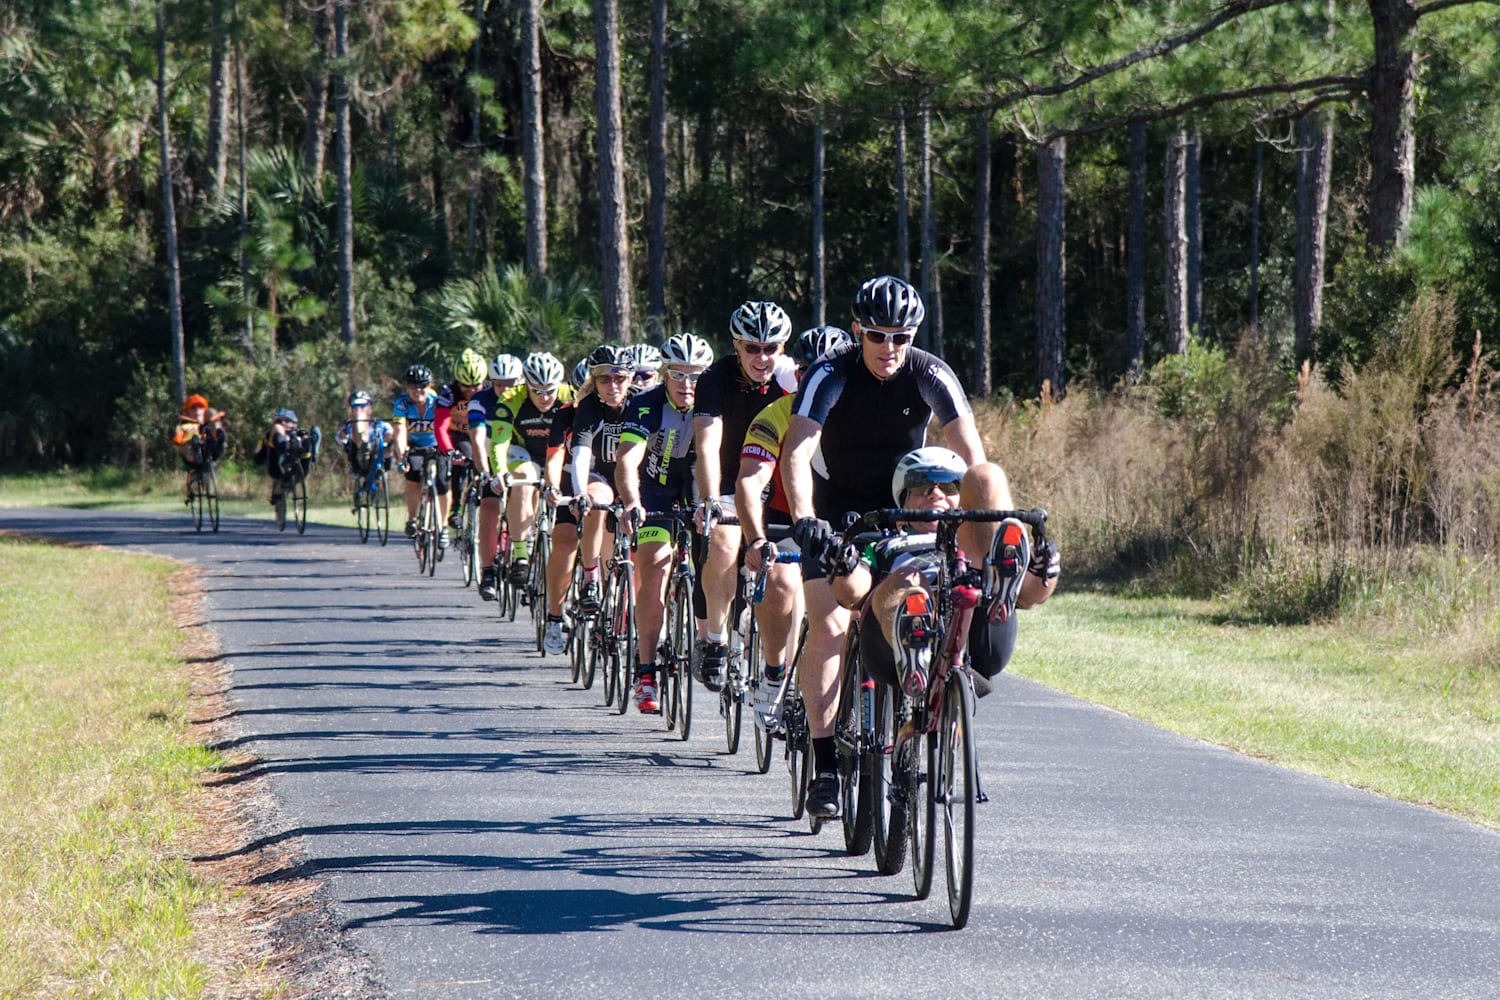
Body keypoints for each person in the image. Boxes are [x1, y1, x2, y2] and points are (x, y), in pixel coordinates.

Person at [782, 274, 1026, 820]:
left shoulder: (931, 372)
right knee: (829, 621)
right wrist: (804, 520)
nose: (889, 348)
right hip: (839, 512)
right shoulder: (831, 371)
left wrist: (974, 517)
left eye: (901, 336)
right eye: (877, 335)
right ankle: (824, 766)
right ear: (856, 331)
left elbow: (970, 458)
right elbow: (797, 453)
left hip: (910, 503)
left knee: (984, 484)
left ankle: (998, 581)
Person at [825, 447, 1057, 704]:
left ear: (963, 500)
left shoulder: (974, 545)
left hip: (977, 626)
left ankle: (1004, 578)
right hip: (888, 644)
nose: (935, 493)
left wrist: (1045, 570)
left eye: (948, 487)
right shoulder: (882, 543)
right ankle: (913, 640)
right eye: (920, 484)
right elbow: (852, 595)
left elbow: (1032, 596)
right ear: (904, 501)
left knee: (986, 475)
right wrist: (843, 566)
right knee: (909, 580)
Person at [734, 326, 851, 724]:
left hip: (844, 522)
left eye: (828, 370)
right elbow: (750, 482)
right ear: (796, 374)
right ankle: (773, 670)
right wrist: (756, 539)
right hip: (787, 522)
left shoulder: (863, 414)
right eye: (806, 370)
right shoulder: (776, 415)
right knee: (781, 580)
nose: (815, 379)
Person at [691, 300, 798, 691]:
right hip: (725, 476)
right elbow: (706, 446)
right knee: (721, 540)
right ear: (736, 346)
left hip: (774, 483)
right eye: (752, 347)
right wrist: (708, 501)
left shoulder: (791, 376)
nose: (762, 357)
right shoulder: (715, 379)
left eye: (771, 348)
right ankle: (716, 641)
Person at [615, 333, 714, 713]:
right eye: (678, 374)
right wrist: (631, 503)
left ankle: (711, 640)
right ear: (664, 374)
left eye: (696, 375)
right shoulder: (646, 404)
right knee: (654, 566)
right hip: (653, 490)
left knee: (716, 556)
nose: (687, 384)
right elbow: (627, 461)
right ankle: (645, 672)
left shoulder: (713, 402)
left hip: (694, 483)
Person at [470, 351, 574, 611]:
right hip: (521, 452)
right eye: (536, 390)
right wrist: (500, 472)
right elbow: (499, 442)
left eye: (549, 390)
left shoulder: (569, 396)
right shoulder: (511, 398)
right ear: (525, 384)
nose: (544, 397)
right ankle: (519, 554)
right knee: (524, 481)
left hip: (556, 454)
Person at [561, 344, 638, 620]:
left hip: (635, 481)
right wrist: (580, 493)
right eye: (605, 378)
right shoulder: (589, 408)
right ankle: (590, 578)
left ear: (631, 378)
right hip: (601, 476)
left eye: (619, 378)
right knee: (597, 502)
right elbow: (580, 455)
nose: (613, 385)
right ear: (594, 381)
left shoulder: (641, 403)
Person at [434, 348, 488, 530]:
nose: (471, 391)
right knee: (462, 459)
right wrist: (449, 451)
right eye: (466, 386)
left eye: (476, 386)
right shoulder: (448, 393)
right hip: (459, 435)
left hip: (485, 434)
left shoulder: (489, 390)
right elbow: (440, 427)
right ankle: (456, 508)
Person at [391, 364, 446, 541]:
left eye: (422, 386)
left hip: (436, 444)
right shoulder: (402, 403)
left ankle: (443, 526)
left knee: (443, 482)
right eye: (413, 386)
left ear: (430, 386)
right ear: (406, 387)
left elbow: (446, 428)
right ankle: (412, 519)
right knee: (413, 475)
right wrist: (401, 456)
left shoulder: (438, 402)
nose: (418, 390)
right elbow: (399, 432)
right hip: (414, 445)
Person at [334, 391, 394, 498]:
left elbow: (390, 434)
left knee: (390, 443)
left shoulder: (381, 424)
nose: (358, 409)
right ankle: (363, 448)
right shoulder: (348, 427)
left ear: (370, 407)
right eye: (355, 406)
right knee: (358, 427)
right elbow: (340, 438)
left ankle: (373, 458)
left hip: (379, 453)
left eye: (362, 405)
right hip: (357, 456)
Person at [254, 407, 320, 501]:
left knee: (311, 432)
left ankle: (292, 458)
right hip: (277, 469)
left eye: (287, 421)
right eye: (279, 421)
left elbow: (307, 443)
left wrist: (306, 441)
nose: (283, 423)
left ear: (294, 423)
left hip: (300, 467)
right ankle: (284, 459)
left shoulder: (300, 433)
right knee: (276, 433)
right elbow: (258, 458)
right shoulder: (270, 436)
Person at [171, 394, 227, 497]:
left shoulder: (208, 421)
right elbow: (177, 442)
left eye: (200, 407)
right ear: (188, 411)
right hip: (190, 455)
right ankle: (196, 451)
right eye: (193, 407)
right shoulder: (184, 425)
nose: (197, 410)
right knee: (191, 440)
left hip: (209, 451)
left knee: (212, 432)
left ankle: (218, 441)